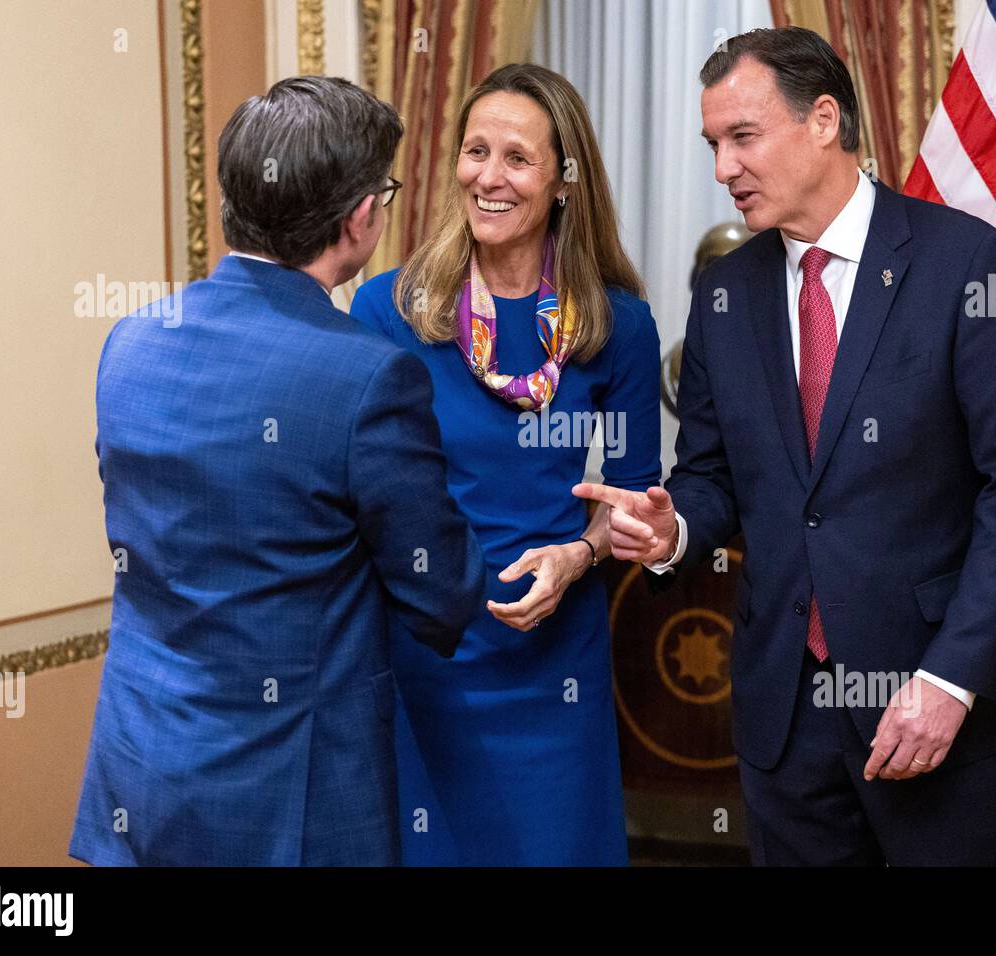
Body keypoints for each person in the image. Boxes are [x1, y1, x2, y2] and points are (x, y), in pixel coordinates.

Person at [575, 27, 996, 865]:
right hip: (783, 720)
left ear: (824, 120)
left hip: (932, 709)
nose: (722, 167)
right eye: (712, 145)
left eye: (742, 138)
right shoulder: (724, 294)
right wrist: (673, 532)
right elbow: (711, 478)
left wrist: (949, 682)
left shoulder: (968, 265)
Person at [69, 76, 486, 866]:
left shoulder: (129, 341)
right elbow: (443, 594)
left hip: (142, 766)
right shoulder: (367, 375)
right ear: (360, 216)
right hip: (289, 800)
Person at [349, 63, 661, 865]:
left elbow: (627, 499)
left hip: (557, 661)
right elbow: (366, 496)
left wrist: (581, 551)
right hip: (427, 656)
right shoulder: (391, 309)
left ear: (564, 180)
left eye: (517, 158)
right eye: (473, 150)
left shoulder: (619, 325)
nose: (488, 176)